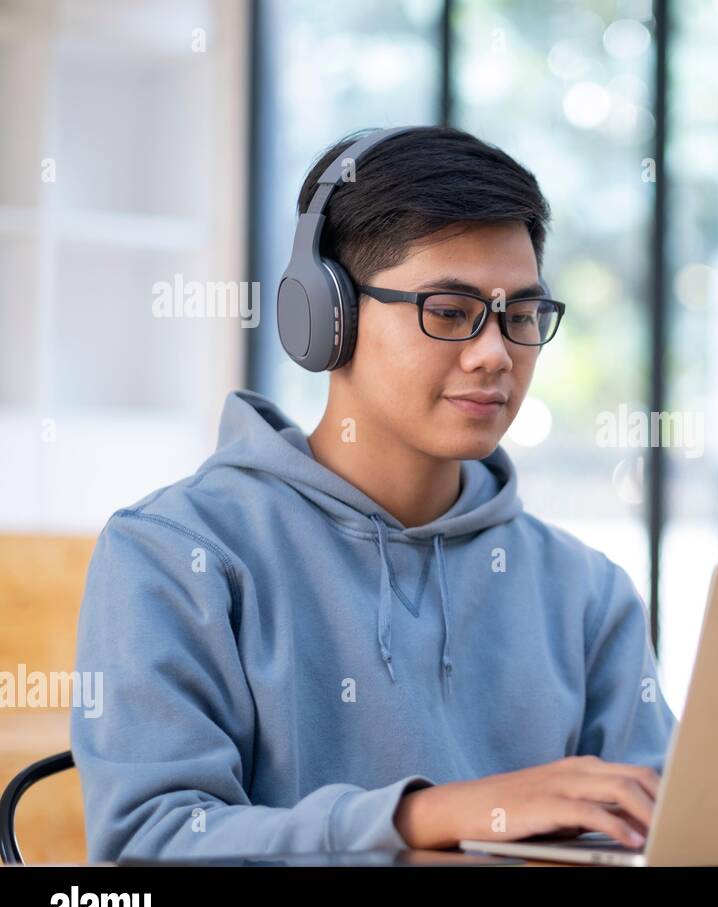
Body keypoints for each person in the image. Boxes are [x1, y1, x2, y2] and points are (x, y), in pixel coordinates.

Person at [71, 126, 676, 861]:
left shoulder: (585, 591)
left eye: (520, 316)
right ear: (327, 318)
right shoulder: (175, 553)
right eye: (449, 312)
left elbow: (663, 830)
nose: (495, 355)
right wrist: (425, 816)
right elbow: (148, 844)